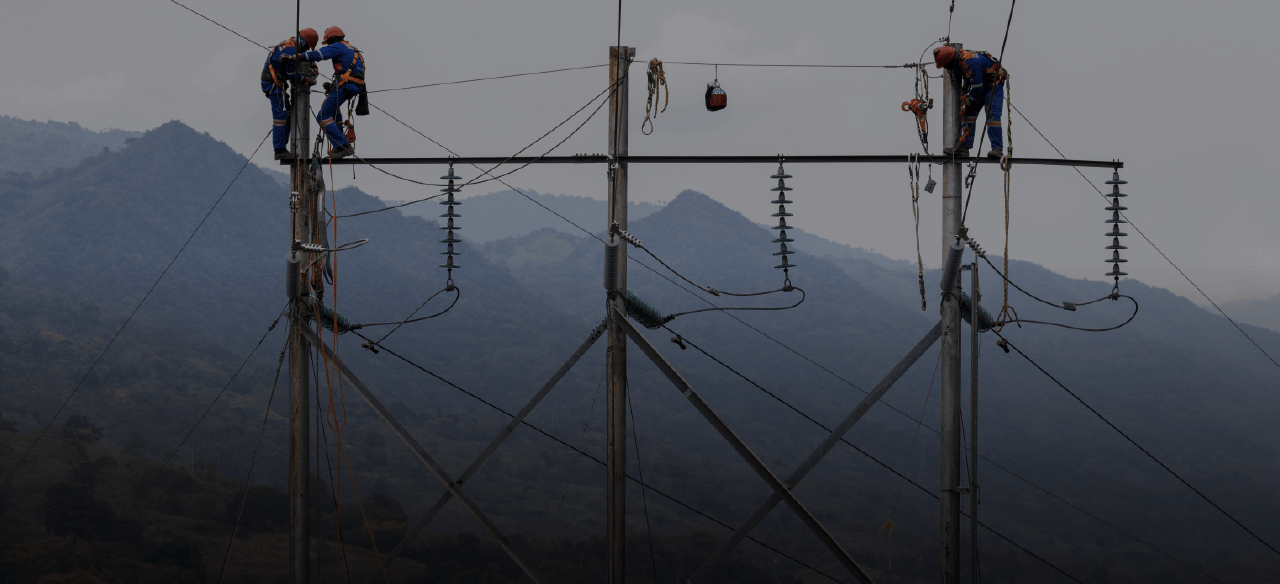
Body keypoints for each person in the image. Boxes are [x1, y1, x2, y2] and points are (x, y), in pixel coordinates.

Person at [286, 26, 365, 159]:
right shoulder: (354, 50)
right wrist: (334, 85)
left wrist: (297, 57)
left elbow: (319, 54)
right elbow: (352, 72)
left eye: (328, 41)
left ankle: (342, 146)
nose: (328, 44)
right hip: (353, 86)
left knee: (323, 116)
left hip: (346, 86)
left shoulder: (338, 46)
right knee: (333, 112)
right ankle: (339, 145)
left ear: (333, 39)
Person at [933, 45, 1008, 159]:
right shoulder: (961, 61)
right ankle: (963, 148)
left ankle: (997, 149)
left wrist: (968, 101)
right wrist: (965, 92)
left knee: (992, 116)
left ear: (950, 62)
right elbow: (971, 78)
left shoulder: (970, 61)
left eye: (946, 66)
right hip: (983, 84)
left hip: (993, 84)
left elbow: (977, 89)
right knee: (968, 114)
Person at [262, 28, 319, 160]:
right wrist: (307, 80)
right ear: (303, 42)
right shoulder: (291, 50)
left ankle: (282, 146)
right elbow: (292, 75)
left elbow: (300, 57)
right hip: (273, 84)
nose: (305, 50)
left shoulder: (290, 45)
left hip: (276, 83)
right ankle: (280, 149)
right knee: (280, 117)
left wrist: (312, 63)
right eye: (306, 47)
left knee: (288, 113)